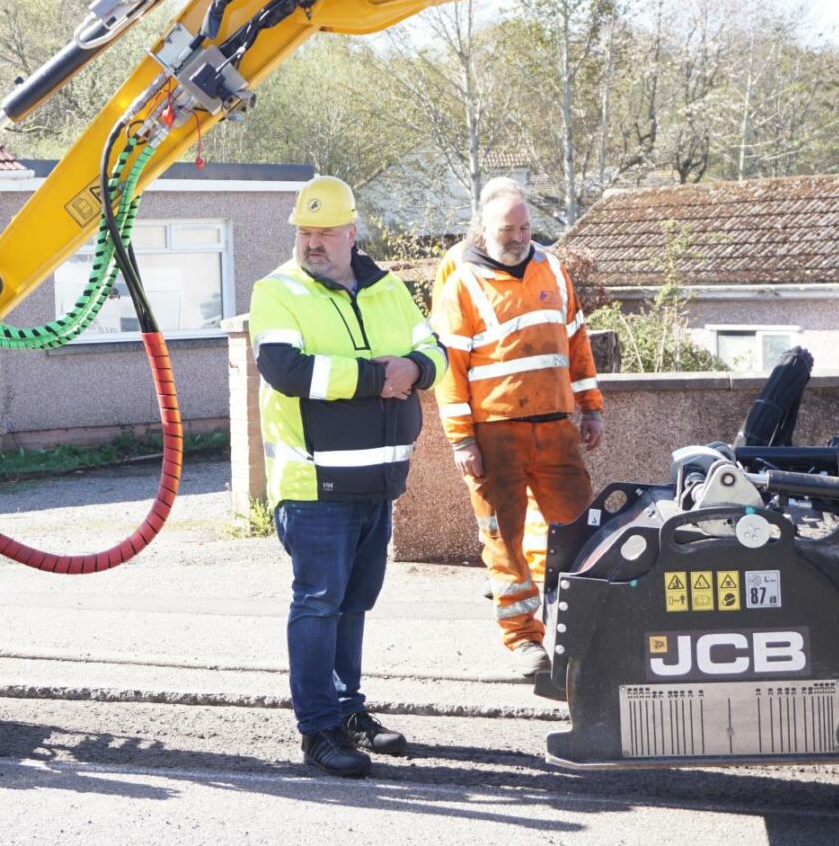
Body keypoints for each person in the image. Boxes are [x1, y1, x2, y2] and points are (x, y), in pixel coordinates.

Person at [249, 175, 447, 778]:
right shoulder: (276, 291)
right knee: (318, 604)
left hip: (377, 483)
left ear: (351, 234)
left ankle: (347, 708)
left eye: (324, 233)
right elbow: (285, 370)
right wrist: (376, 378)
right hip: (312, 489)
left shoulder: (389, 291)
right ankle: (318, 730)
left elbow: (434, 351)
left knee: (354, 603)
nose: (313, 243)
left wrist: (413, 367)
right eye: (305, 232)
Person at [430, 177, 603, 679]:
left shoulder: (552, 267)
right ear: (484, 227)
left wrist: (590, 407)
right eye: (508, 228)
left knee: (579, 533)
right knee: (502, 540)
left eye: (526, 226)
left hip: (555, 429)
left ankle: (585, 634)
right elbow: (450, 367)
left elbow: (576, 342)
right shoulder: (461, 277)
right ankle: (525, 641)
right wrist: (461, 438)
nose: (519, 236)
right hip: (494, 432)